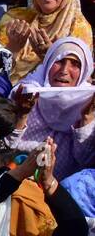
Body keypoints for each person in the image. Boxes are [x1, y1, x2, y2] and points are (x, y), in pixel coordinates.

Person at [0, 0, 92, 82]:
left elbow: (77, 81)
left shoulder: (78, 27)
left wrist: (51, 57)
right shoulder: (15, 18)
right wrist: (13, 49)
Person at [11, 38, 95, 180]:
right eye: (59, 61)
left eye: (75, 64)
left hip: (60, 190)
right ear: (48, 63)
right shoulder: (28, 94)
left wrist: (86, 119)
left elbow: (85, 161)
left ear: (84, 71)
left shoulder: (89, 102)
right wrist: (23, 114)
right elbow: (6, 145)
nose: (64, 71)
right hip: (18, 178)